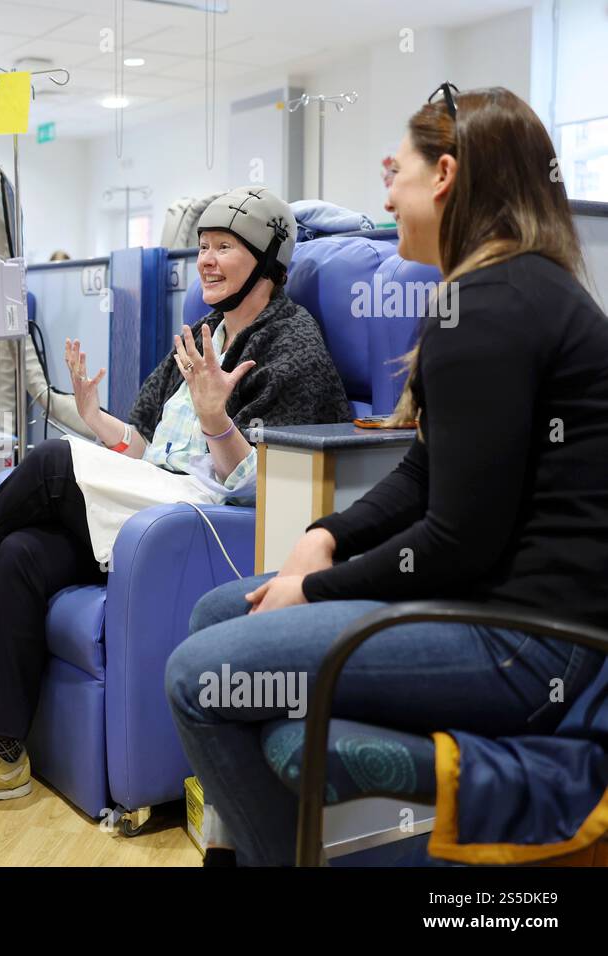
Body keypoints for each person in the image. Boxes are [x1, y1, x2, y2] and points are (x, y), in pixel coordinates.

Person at [164, 85, 608, 866]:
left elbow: (460, 540)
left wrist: (319, 589)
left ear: (445, 175)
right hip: (505, 614)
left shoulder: (494, 304)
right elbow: (426, 471)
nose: (385, 185)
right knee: (214, 613)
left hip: (533, 647)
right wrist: (322, 538)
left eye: (394, 167)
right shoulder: (503, 291)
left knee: (201, 676)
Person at [0, 186, 352, 815]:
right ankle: (4, 751)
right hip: (149, 500)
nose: (205, 260)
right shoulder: (202, 332)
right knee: (19, 553)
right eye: (202, 246)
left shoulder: (293, 346)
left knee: (45, 465)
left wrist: (216, 422)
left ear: (267, 262)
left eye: (224, 248)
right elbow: (144, 443)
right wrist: (97, 418)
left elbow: (269, 488)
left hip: (201, 522)